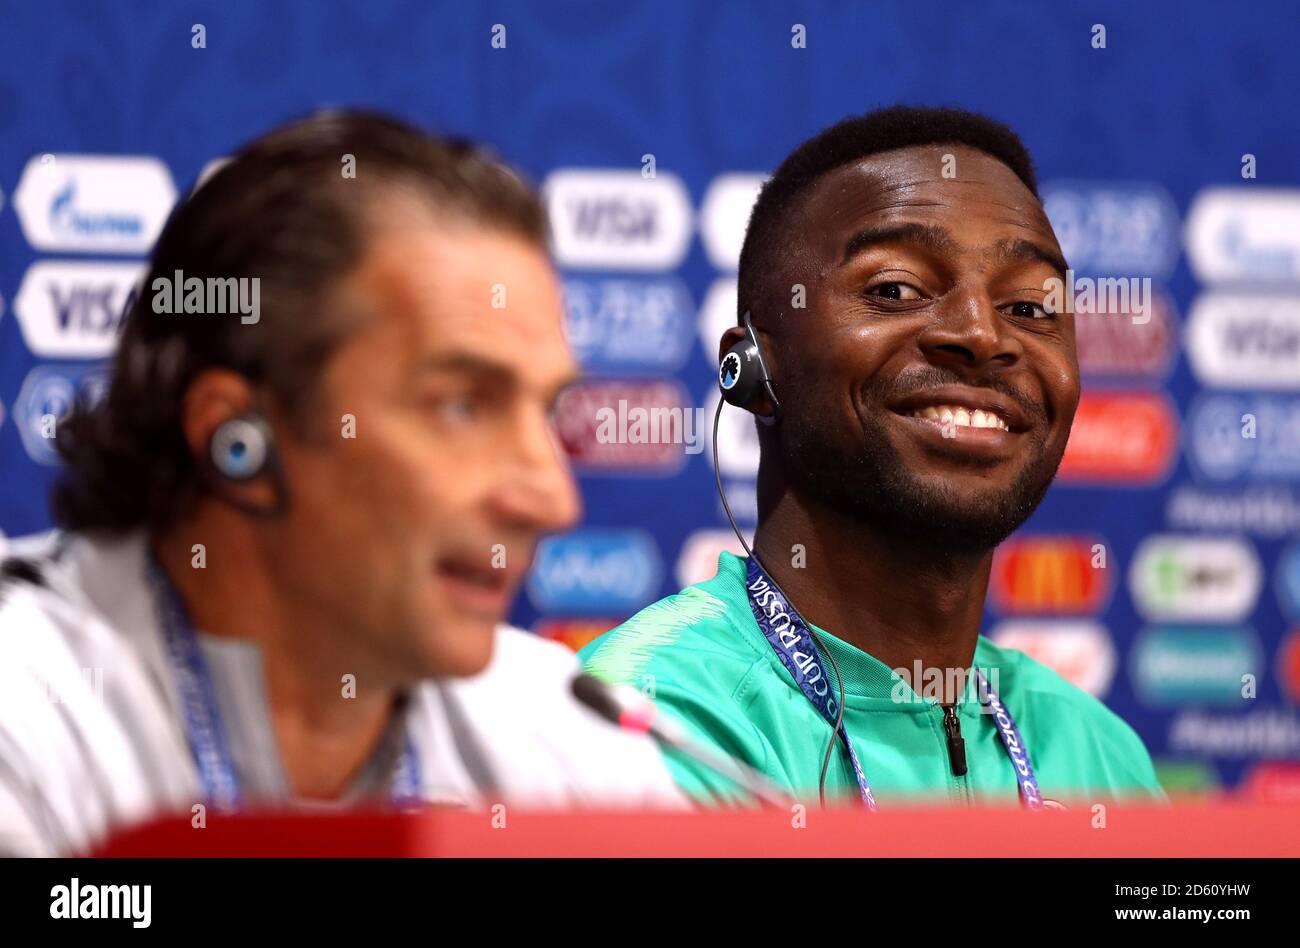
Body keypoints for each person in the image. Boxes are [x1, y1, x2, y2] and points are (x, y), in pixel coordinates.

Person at [0, 111, 683, 857]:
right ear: (239, 443)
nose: (553, 500)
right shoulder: (28, 718)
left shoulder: (570, 741)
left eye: (547, 409)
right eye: (462, 406)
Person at [581, 106, 1165, 809]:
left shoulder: (1097, 752)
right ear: (757, 367)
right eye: (895, 289)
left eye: (1030, 307)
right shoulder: (655, 720)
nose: (982, 335)